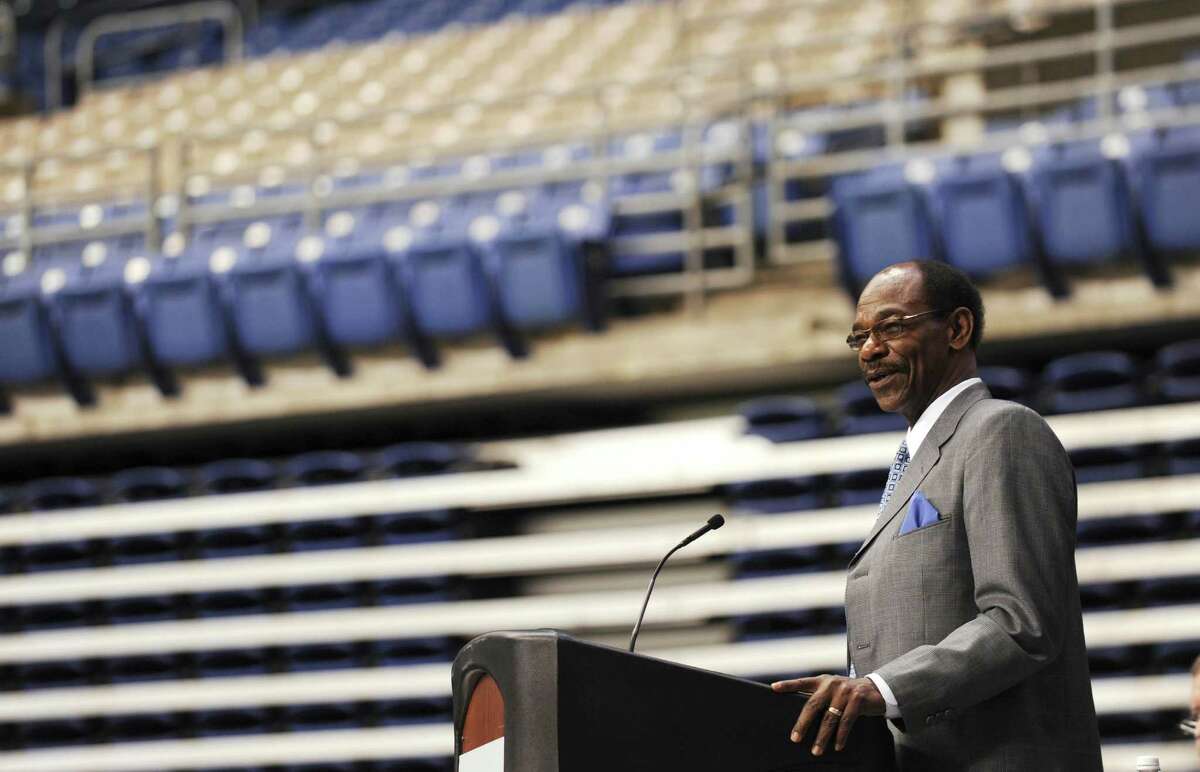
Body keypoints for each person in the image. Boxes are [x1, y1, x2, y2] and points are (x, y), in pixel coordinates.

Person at [772, 261, 1102, 770]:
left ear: (957, 329)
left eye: (891, 327)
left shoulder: (1001, 431)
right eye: (859, 336)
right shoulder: (916, 459)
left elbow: (1021, 622)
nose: (869, 350)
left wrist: (884, 688)